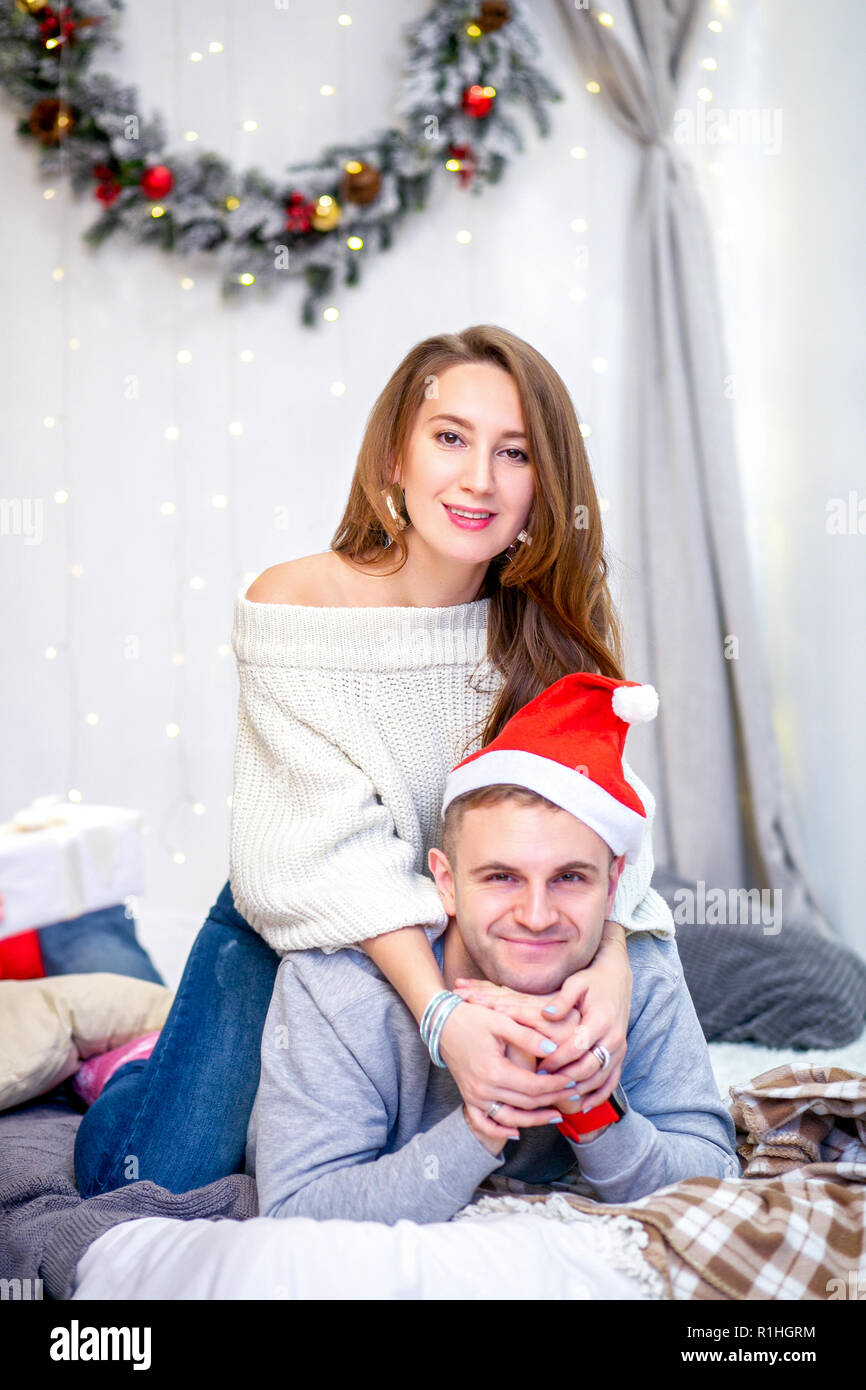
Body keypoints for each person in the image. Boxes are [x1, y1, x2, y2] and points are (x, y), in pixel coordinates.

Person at [73, 324, 675, 1198]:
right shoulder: (297, 603)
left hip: (460, 936)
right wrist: (439, 1016)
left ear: (546, 485)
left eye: (515, 453)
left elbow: (613, 822)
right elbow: (324, 856)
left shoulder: (546, 633)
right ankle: (131, 1060)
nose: (478, 480)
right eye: (450, 438)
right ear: (395, 457)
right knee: (152, 1182)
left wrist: (613, 964)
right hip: (303, 919)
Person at [247, 673, 738, 1223]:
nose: (535, 917)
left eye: (570, 878)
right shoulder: (338, 987)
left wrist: (590, 1105)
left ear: (614, 884)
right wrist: (482, 1125)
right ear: (446, 882)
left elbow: (716, 1172)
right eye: (502, 877)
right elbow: (295, 1210)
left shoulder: (640, 973)